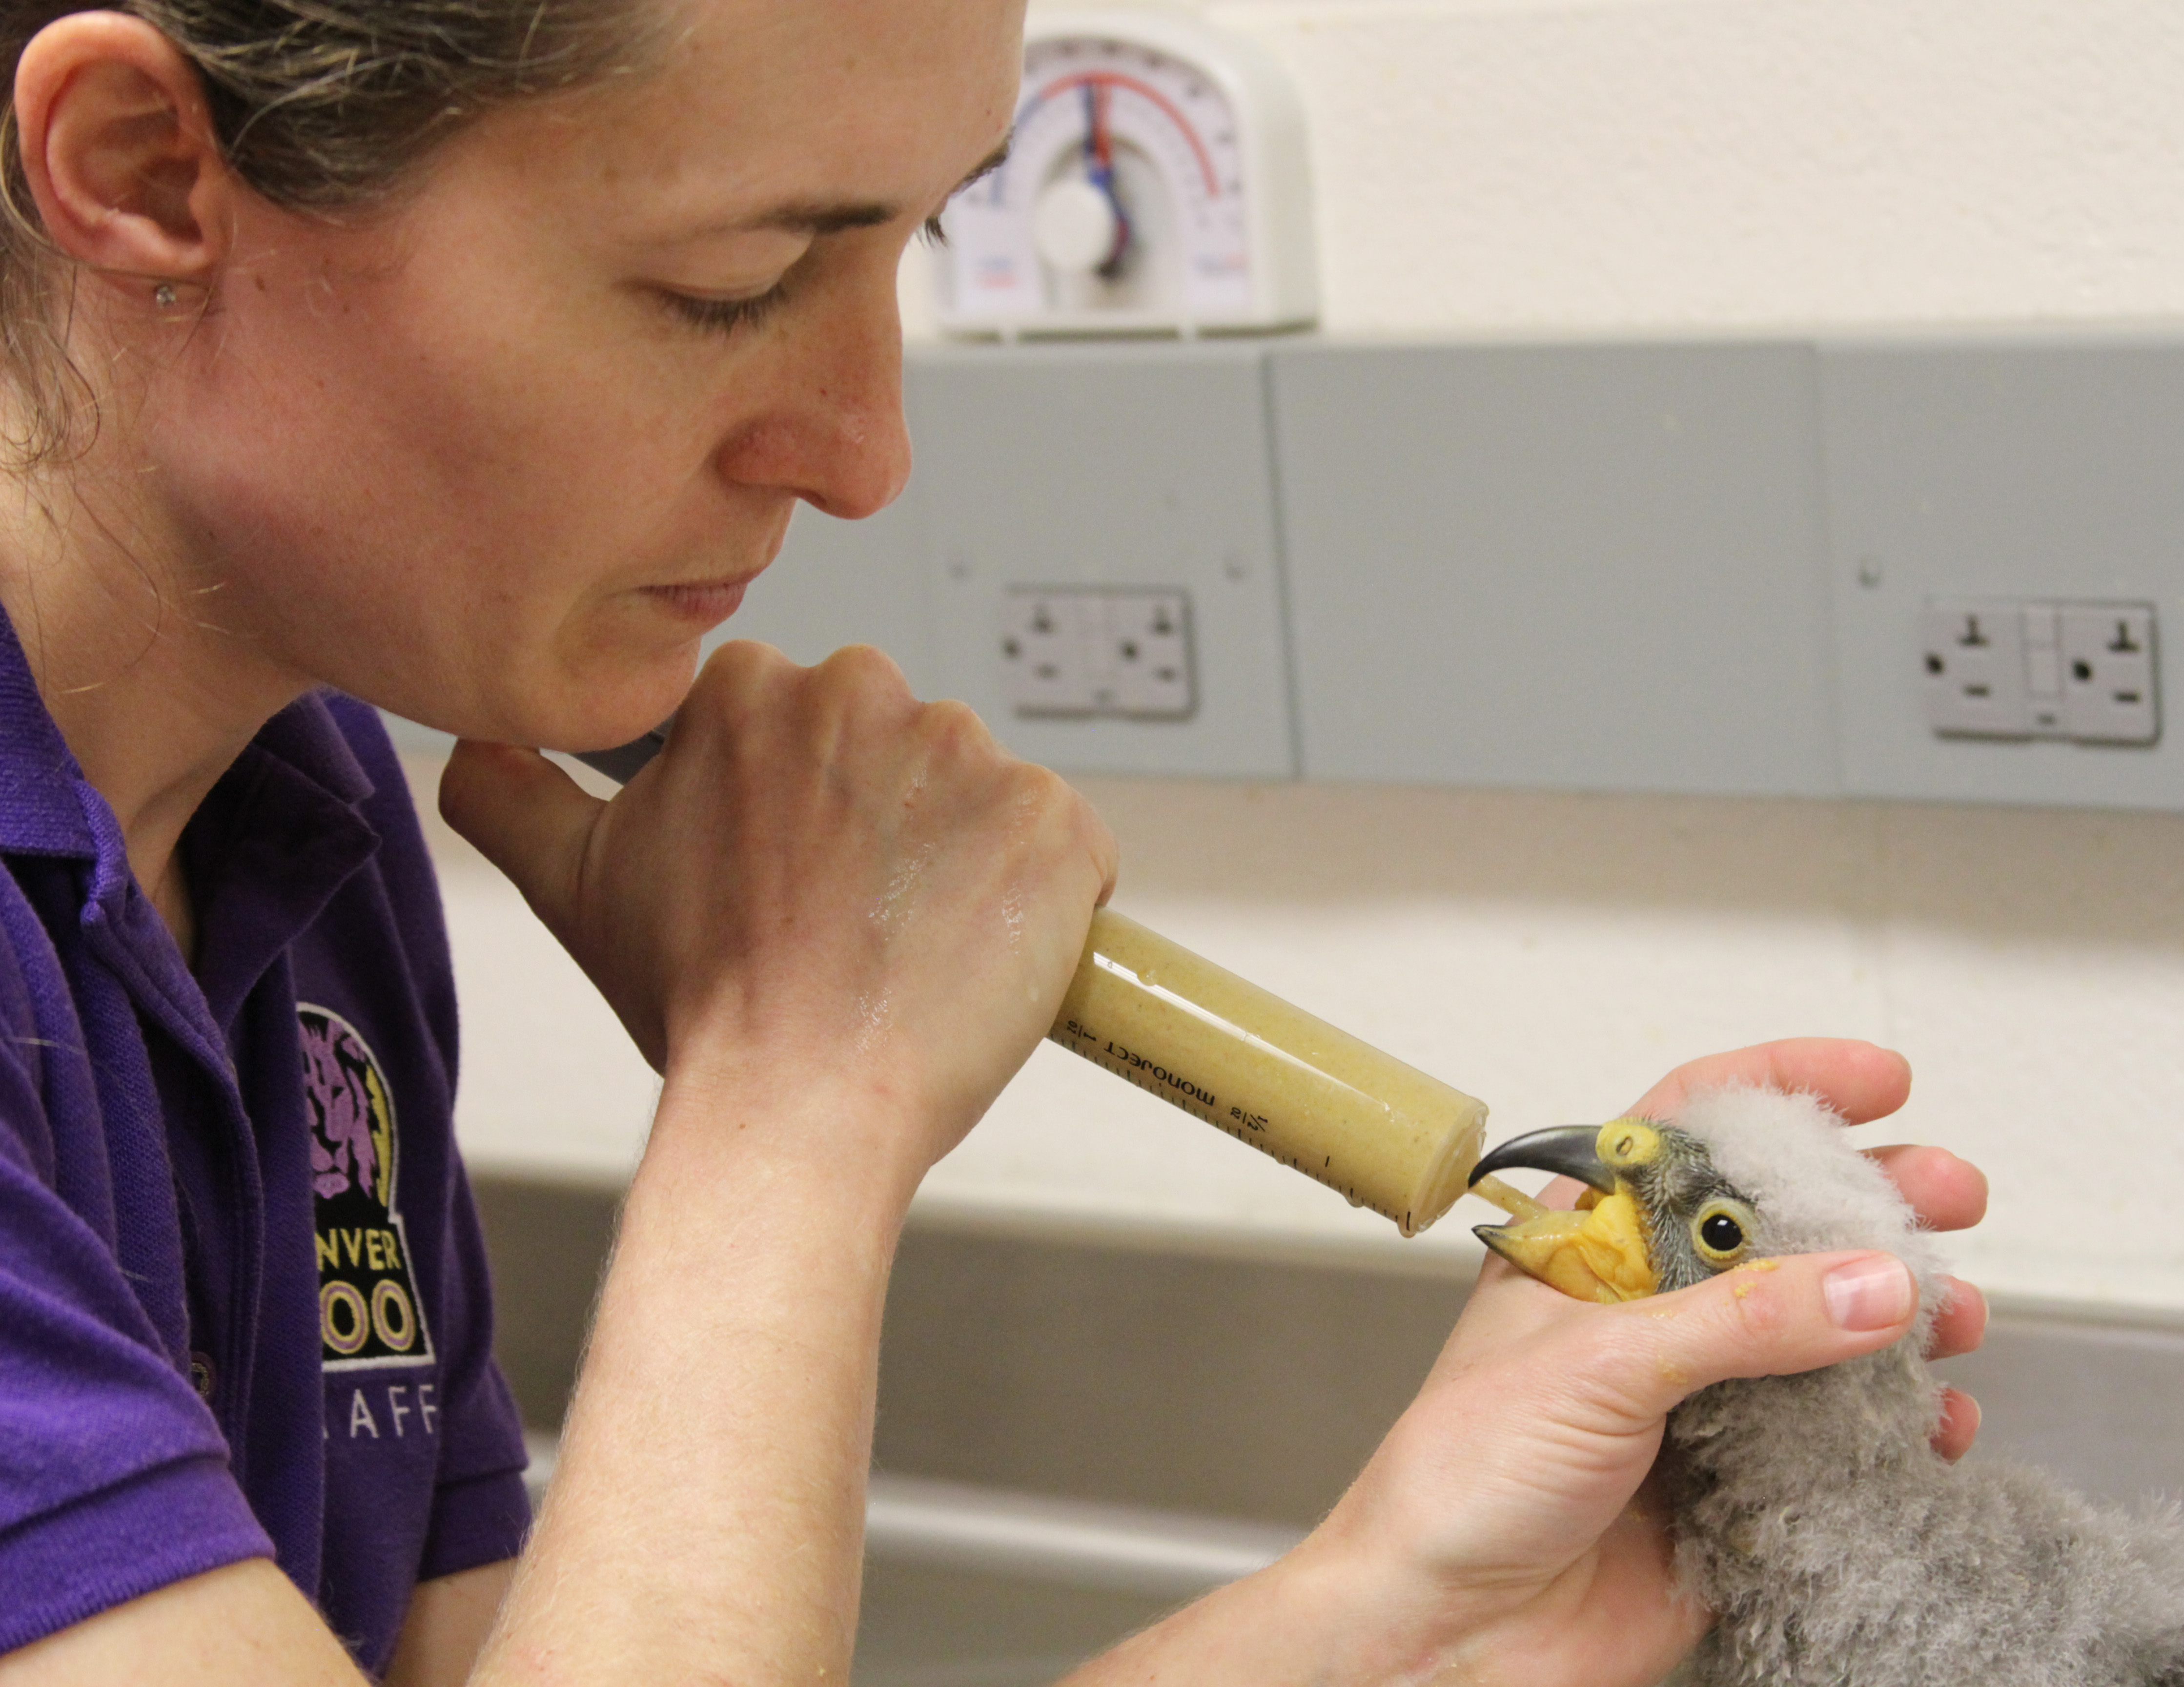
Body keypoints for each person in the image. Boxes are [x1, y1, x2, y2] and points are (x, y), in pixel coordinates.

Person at [0, 2, 1991, 1683]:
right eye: (735, 285)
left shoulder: (296, 818)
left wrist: (1393, 1604)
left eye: (916, 249)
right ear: (151, 169)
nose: (866, 455)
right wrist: (799, 1091)